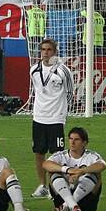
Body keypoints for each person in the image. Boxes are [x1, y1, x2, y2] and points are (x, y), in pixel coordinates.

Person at [29, 38, 72, 199]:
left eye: (49, 50)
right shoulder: (34, 70)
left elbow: (70, 94)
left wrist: (62, 113)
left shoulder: (63, 71)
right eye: (43, 50)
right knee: (39, 153)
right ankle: (42, 186)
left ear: (55, 52)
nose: (45, 53)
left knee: (57, 155)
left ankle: (57, 188)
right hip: (39, 117)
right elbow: (38, 91)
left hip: (56, 118)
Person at [43, 126, 106, 211]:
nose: (72, 142)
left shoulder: (91, 156)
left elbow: (102, 165)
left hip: (85, 197)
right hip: (63, 194)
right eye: (70, 139)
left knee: (95, 174)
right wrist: (68, 170)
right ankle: (73, 206)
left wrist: (81, 172)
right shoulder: (61, 155)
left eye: (76, 140)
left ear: (84, 143)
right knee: (52, 172)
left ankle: (66, 206)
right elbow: (46, 164)